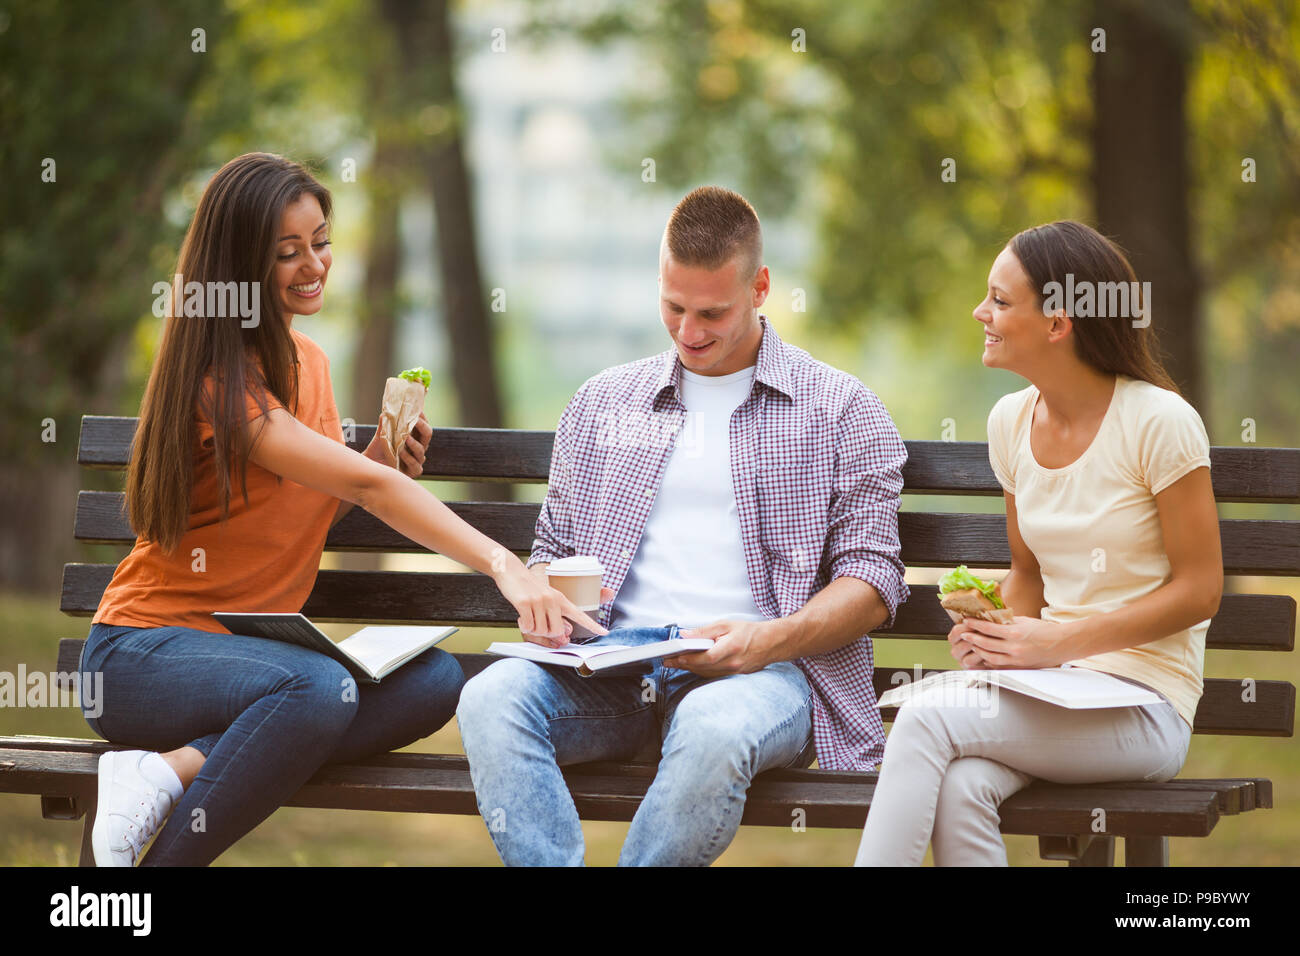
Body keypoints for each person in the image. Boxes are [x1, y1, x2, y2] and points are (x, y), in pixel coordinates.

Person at [79, 152, 603, 867]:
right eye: (286, 253)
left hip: (256, 667)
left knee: (433, 681)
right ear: (238, 270)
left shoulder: (311, 364)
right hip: (141, 658)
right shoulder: (217, 384)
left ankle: (170, 772)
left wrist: (383, 457)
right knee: (318, 687)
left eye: (320, 241)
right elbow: (363, 492)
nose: (313, 264)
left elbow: (323, 502)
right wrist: (504, 565)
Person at [456, 185, 910, 866]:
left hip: (760, 677)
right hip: (610, 667)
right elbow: (552, 549)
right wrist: (543, 599)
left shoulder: (840, 409)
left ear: (759, 287)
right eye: (673, 307)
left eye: (712, 313)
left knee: (710, 725)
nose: (690, 332)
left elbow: (874, 580)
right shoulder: (604, 401)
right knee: (491, 697)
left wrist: (768, 641)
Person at [855, 220, 1221, 866]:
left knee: (922, 719)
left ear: (1058, 323)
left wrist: (1060, 641)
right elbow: (1028, 576)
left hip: (1146, 706)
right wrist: (994, 632)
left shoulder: (1160, 423)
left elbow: (1201, 589)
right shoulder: (1011, 423)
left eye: (999, 299)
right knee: (962, 787)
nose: (981, 312)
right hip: (1055, 693)